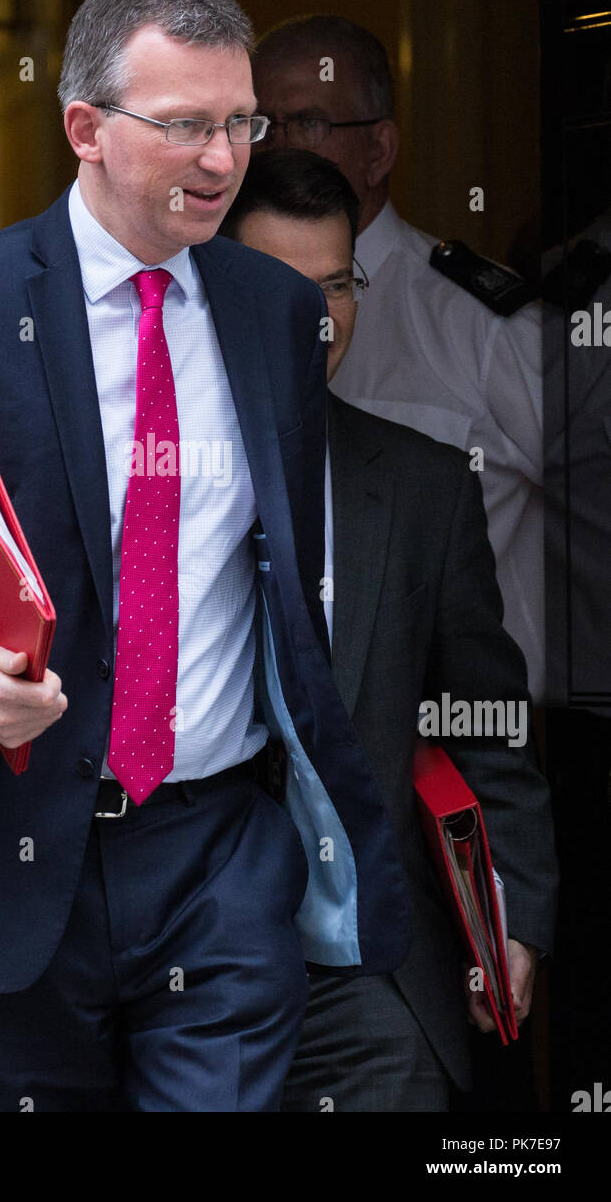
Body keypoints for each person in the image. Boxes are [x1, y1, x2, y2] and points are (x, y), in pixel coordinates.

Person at [0, 0, 411, 1113]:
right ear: (84, 127)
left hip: (217, 860)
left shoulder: (273, 312)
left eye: (239, 122)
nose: (223, 159)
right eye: (185, 126)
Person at [221, 148, 557, 1111]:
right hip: (182, 965)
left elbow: (485, 723)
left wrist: (516, 917)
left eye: (338, 285)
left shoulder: (422, 484)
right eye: (288, 287)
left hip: (368, 972)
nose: (319, 319)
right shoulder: (144, 476)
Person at [252, 16, 545, 702]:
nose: (278, 148)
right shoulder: (195, 306)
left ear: (379, 149)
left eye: (309, 122)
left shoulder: (484, 327)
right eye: (260, 124)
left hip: (442, 727)